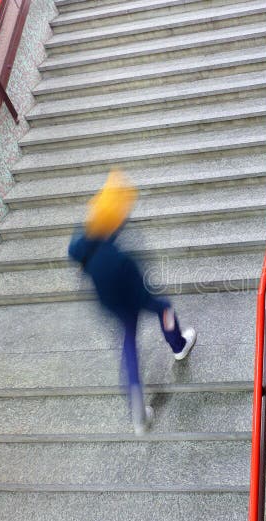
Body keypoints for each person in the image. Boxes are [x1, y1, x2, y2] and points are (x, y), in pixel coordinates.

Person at [68, 172, 195, 435]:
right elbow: (140, 288)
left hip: (109, 301)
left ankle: (137, 411)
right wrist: (148, 297)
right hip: (129, 294)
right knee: (164, 308)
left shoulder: (82, 240)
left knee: (128, 342)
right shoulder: (118, 257)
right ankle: (178, 344)